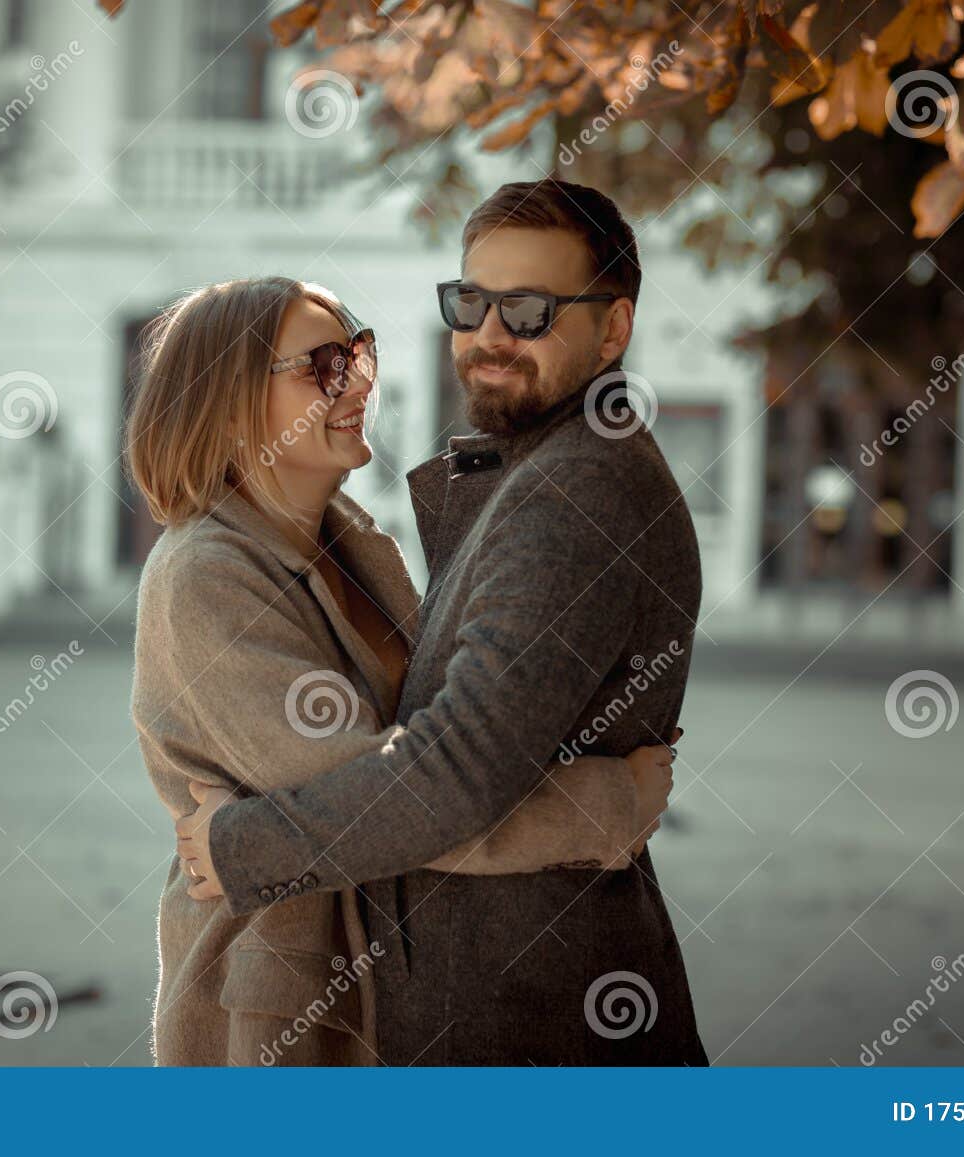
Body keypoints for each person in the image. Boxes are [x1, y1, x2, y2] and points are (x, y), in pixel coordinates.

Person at [176, 178, 708, 1065]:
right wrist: (604, 807)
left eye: (530, 309)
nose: (490, 335)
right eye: (472, 303)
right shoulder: (534, 474)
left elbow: (454, 771)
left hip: (536, 1029)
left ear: (612, 330)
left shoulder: (576, 489)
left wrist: (241, 845)